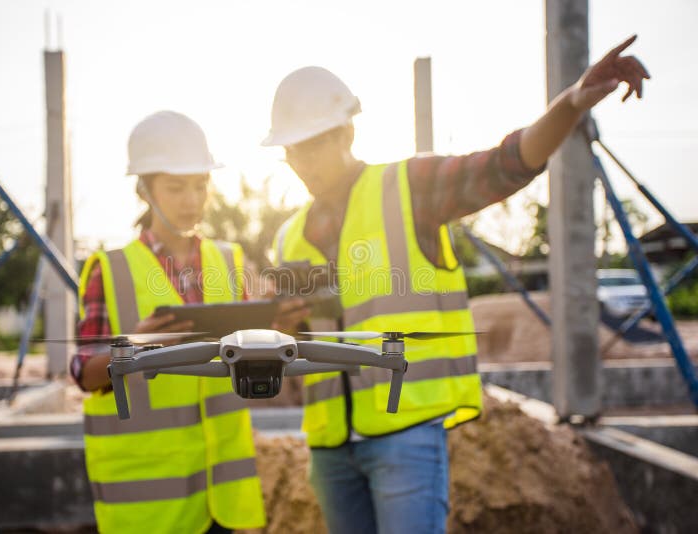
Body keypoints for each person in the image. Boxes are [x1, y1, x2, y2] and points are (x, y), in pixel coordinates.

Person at [263, 36, 649, 533]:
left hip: (405, 435)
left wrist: (572, 101)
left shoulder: (408, 187)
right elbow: (300, 348)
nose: (305, 162)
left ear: (347, 134)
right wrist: (283, 329)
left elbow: (507, 163)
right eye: (294, 151)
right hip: (329, 444)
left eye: (315, 145)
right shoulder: (287, 236)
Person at [70, 110, 304, 533]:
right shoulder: (112, 270)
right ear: (145, 189)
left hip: (221, 498)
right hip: (149, 502)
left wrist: (279, 327)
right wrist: (132, 347)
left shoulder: (230, 263)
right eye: (176, 188)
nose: (192, 201)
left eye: (200, 185)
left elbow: (259, 357)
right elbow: (84, 375)